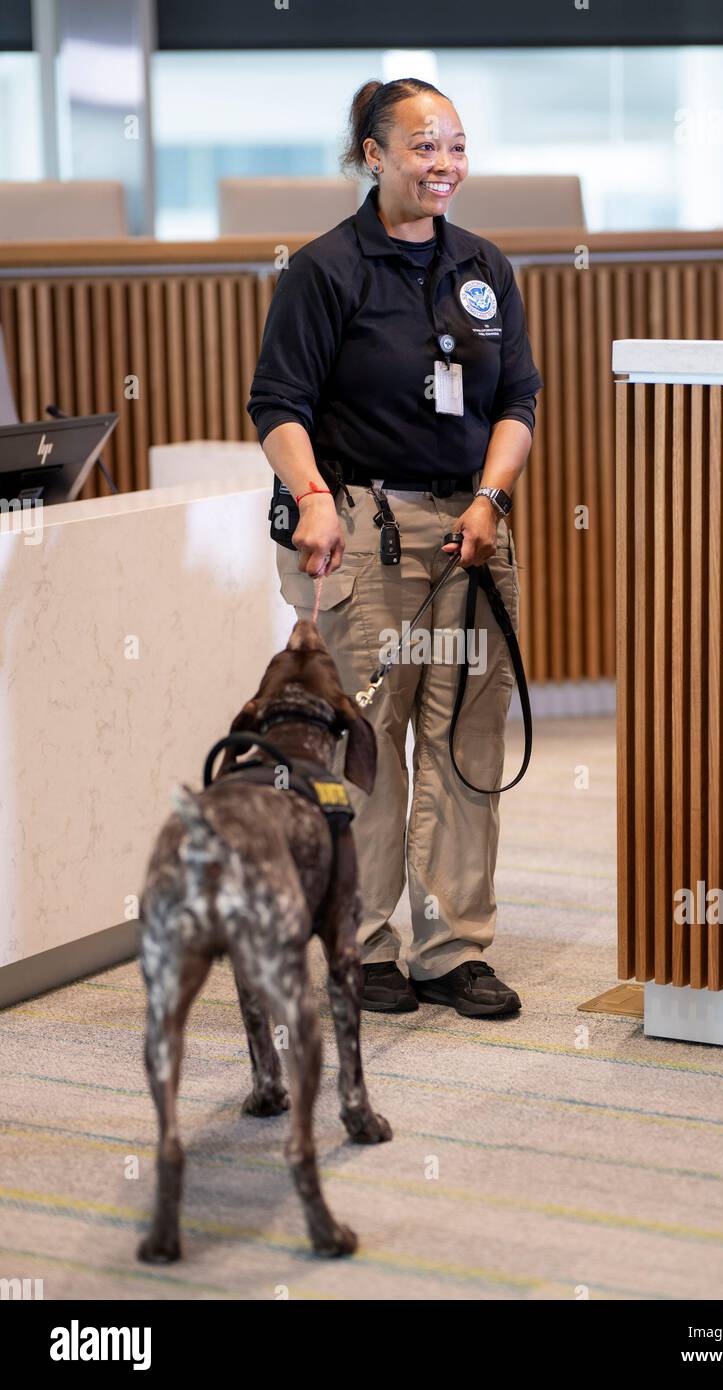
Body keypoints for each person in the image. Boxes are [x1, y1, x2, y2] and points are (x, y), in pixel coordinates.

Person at [247, 77, 542, 1019]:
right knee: (369, 746)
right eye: (423, 146)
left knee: (467, 742)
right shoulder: (326, 269)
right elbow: (277, 406)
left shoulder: (486, 266)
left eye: (455, 145)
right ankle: (365, 943)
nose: (444, 163)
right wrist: (313, 500)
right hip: (367, 536)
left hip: (474, 535)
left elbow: (518, 404)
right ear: (372, 155)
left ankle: (453, 946)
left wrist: (492, 498)